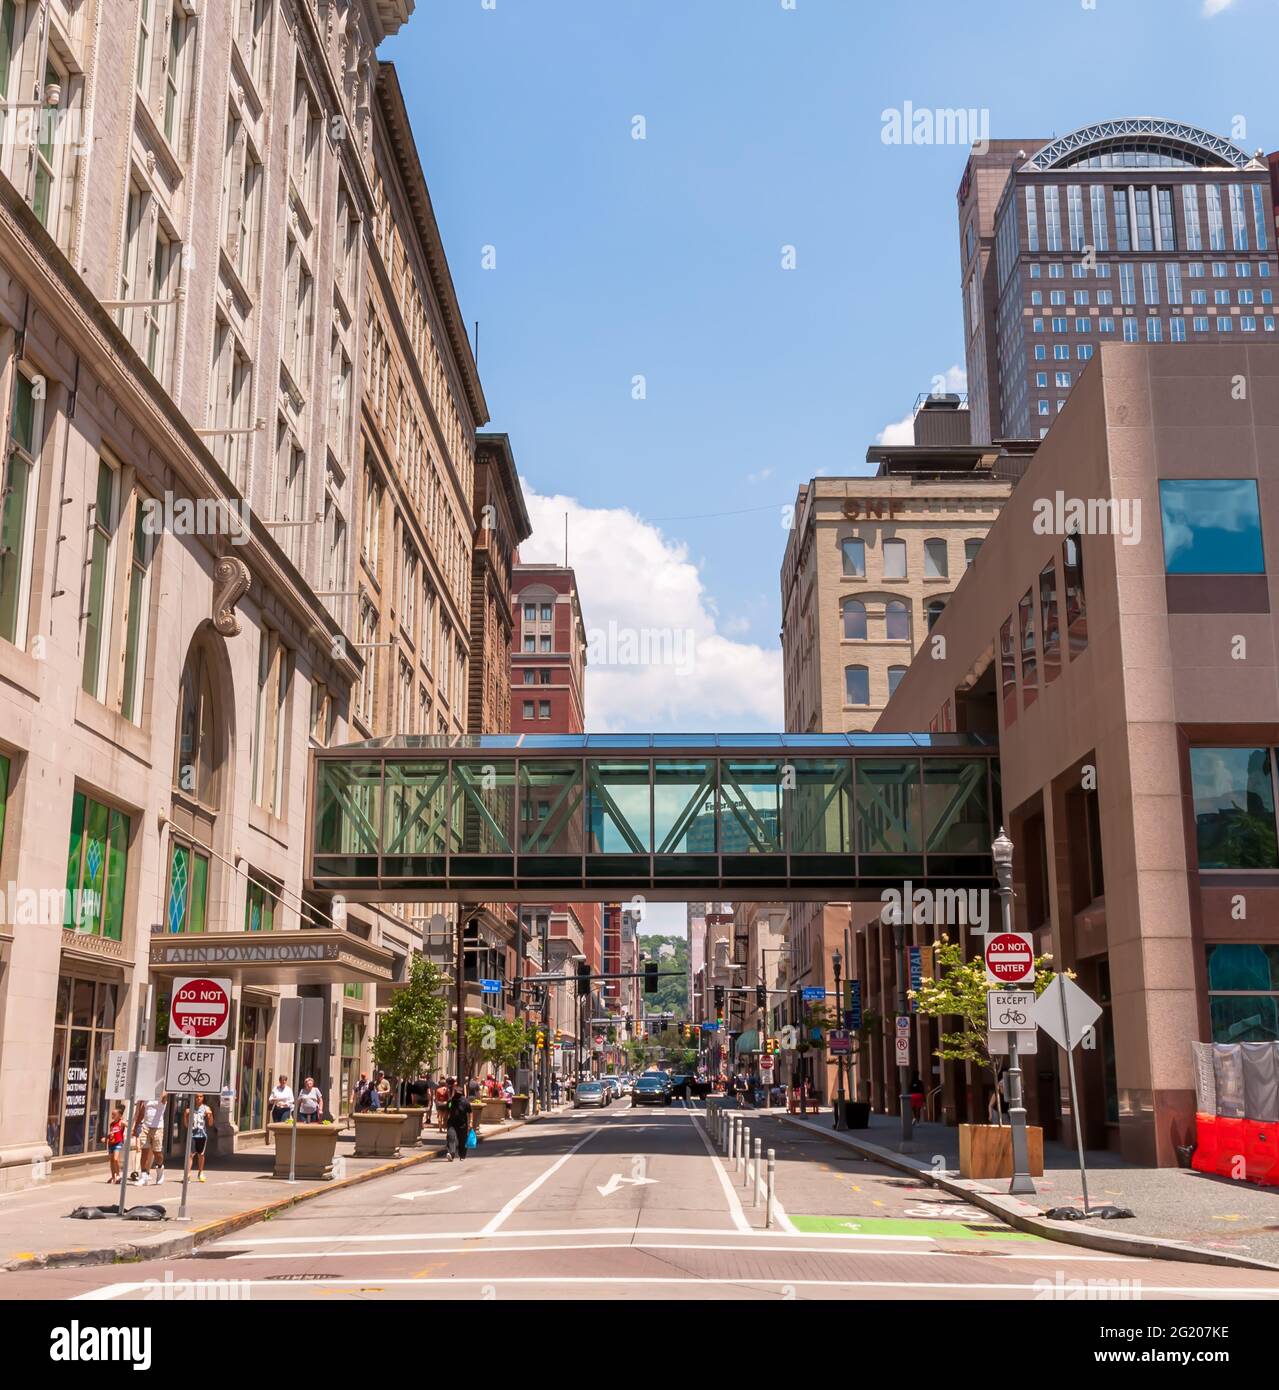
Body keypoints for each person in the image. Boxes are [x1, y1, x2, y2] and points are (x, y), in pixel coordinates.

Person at [132, 1090, 168, 1185]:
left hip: (158, 1127)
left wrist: (162, 1089)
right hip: (146, 1126)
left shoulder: (162, 1097)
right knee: (144, 1151)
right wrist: (135, 1126)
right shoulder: (147, 1095)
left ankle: (160, 1169)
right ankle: (143, 1175)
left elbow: (165, 1093)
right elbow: (142, 1112)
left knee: (158, 1153)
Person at [185, 1093, 214, 1182]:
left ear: (203, 1098)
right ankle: (187, 1175)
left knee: (200, 1154)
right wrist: (185, 1115)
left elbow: (210, 1124)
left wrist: (210, 1115)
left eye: (200, 1097)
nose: (198, 1098)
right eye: (197, 1097)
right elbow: (186, 1125)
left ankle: (200, 1172)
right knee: (190, 1155)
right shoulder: (190, 1108)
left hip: (202, 1135)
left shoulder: (206, 1108)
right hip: (192, 1135)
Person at [445, 1083, 472, 1162]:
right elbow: (447, 1111)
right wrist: (444, 1121)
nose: (457, 1095)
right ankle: (451, 1153)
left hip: (462, 1124)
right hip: (452, 1123)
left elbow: (470, 1112)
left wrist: (470, 1122)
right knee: (451, 1137)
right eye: (456, 1093)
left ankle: (462, 1155)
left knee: (462, 1140)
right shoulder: (450, 1101)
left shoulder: (465, 1101)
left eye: (458, 1094)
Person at [103, 1106, 125, 1184]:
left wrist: (132, 1130)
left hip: (118, 1142)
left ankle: (118, 1175)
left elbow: (128, 1126)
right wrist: (106, 1138)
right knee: (112, 1161)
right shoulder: (111, 1124)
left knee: (116, 1159)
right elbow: (112, 1134)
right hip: (111, 1143)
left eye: (114, 1114)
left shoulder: (121, 1123)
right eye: (112, 1114)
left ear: (119, 1115)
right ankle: (113, 1176)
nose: (112, 1116)